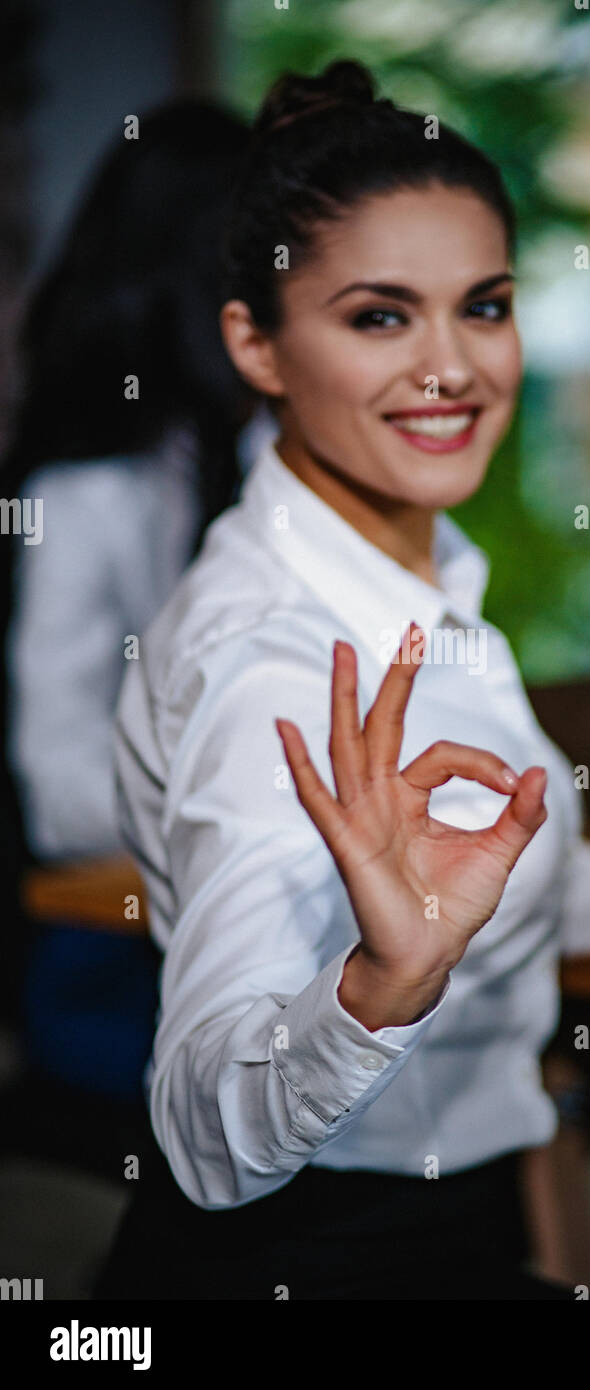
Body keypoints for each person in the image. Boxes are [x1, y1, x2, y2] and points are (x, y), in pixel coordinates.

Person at [93, 60, 590, 1300]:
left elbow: (486, 894)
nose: (451, 366)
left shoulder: (412, 581)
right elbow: (200, 1128)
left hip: (449, 1224)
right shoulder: (281, 664)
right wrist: (376, 987)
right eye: (379, 316)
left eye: (485, 305)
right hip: (312, 1256)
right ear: (257, 343)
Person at [0, 100, 272, 1101]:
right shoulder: (79, 500)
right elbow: (61, 796)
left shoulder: (252, 458)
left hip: (252, 926)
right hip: (112, 950)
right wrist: (255, 806)